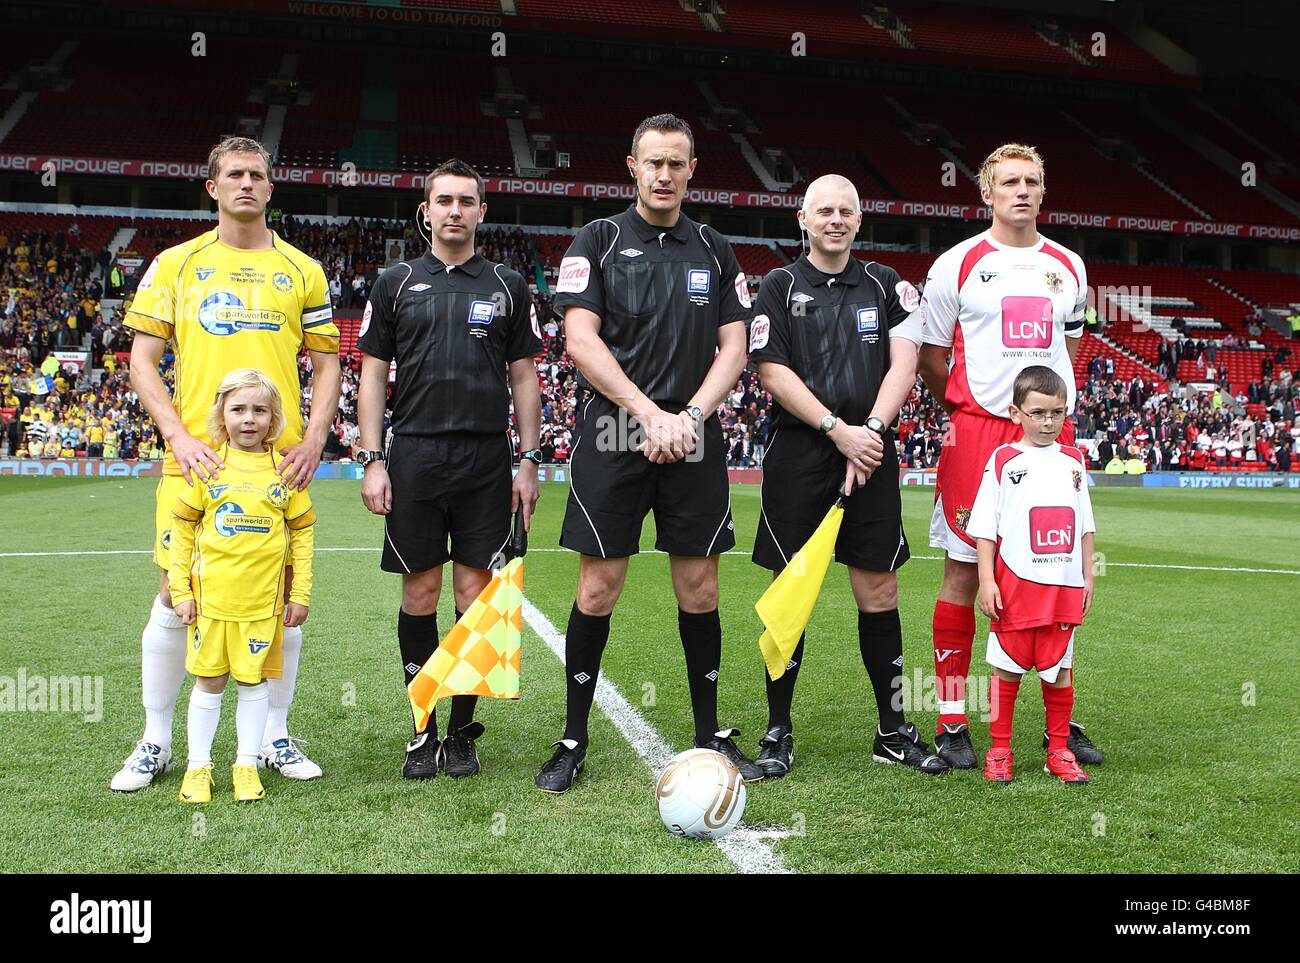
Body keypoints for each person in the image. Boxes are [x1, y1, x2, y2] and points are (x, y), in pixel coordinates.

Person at [534, 113, 757, 793]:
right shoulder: (597, 240)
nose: (664, 175)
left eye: (676, 163)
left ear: (692, 170)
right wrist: (649, 413)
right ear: (631, 166)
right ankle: (573, 736)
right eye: (652, 162)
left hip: (692, 435)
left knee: (702, 587)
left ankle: (707, 733)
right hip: (616, 434)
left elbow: (736, 346)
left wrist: (688, 414)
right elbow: (581, 339)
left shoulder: (716, 248)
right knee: (598, 587)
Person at [111, 136, 341, 792]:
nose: (246, 183)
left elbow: (327, 363)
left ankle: (272, 735)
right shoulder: (176, 265)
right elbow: (142, 361)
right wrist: (180, 438)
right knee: (174, 591)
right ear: (212, 187)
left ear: (272, 188)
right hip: (197, 462)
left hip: (280, 465)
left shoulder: (303, 270)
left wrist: (316, 436)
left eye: (257, 174)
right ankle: (156, 738)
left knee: (283, 599)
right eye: (234, 174)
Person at [747, 174, 947, 777]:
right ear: (803, 220)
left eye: (846, 211)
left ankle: (892, 729)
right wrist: (840, 430)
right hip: (800, 456)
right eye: (824, 211)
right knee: (793, 595)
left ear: (860, 221)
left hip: (872, 454)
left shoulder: (888, 285)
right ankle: (777, 730)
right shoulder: (777, 287)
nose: (835, 219)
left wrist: (874, 432)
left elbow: (904, 364)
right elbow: (772, 372)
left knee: (879, 592)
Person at [916, 142, 1103, 769]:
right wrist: (972, 408)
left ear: (1043, 191)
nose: (1020, 191)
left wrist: (1042, 415)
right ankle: (951, 719)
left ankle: (1060, 720)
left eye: (1031, 181)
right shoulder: (957, 263)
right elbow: (929, 354)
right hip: (977, 433)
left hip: (1050, 435)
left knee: (1055, 572)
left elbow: (1069, 351)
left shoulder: (1069, 265)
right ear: (987, 192)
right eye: (1008, 182)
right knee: (966, 573)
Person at [357, 159, 542, 780]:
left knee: (473, 596)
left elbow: (523, 376)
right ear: (426, 210)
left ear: (482, 211)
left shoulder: (509, 285)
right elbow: (373, 374)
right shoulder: (395, 282)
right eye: (444, 201)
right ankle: (421, 727)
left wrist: (529, 459)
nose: (455, 210)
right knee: (420, 591)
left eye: (467, 200)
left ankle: (462, 731)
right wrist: (372, 458)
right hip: (413, 456)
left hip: (487, 459)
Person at [168, 369, 316, 803]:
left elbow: (303, 537)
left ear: (274, 419)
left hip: (261, 607)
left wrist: (300, 593)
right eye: (238, 409)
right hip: (210, 605)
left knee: (254, 687)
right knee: (209, 683)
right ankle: (198, 767)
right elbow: (182, 532)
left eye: (259, 410)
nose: (249, 419)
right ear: (221, 414)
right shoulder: (207, 468)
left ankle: (246, 764)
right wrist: (181, 591)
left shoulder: (284, 473)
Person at [967, 366, 1096, 784]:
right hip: (1015, 585)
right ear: (1016, 413)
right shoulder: (1004, 459)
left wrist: (1087, 577)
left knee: (1060, 669)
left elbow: (1085, 526)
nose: (1048, 421)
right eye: (1038, 412)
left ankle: (1058, 750)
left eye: (1057, 413)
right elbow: (986, 526)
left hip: (1063, 587)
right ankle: (1000, 749)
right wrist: (987, 581)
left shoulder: (1074, 460)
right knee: (1007, 668)